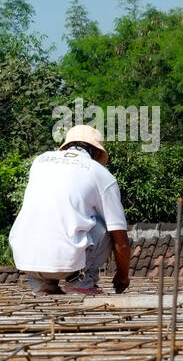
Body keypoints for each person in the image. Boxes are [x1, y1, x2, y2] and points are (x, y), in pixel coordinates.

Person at [9, 124, 131, 295]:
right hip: (68, 264)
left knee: (45, 215)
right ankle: (81, 282)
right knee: (106, 226)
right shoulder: (101, 174)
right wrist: (123, 276)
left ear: (65, 146)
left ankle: (42, 284)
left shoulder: (40, 161)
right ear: (96, 153)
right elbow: (121, 239)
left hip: (26, 262)